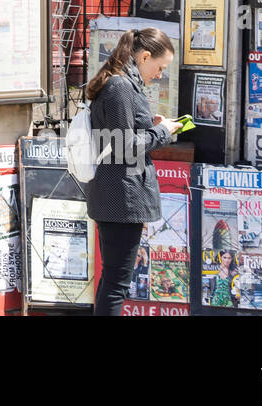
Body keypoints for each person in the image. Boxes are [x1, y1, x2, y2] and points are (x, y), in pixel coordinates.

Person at [83, 27, 180, 316]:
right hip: (121, 197)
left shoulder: (121, 84)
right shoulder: (121, 86)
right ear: (145, 56)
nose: (160, 74)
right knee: (117, 283)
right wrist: (161, 132)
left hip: (118, 194)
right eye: (159, 67)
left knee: (113, 279)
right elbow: (124, 146)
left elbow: (117, 133)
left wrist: (150, 124)